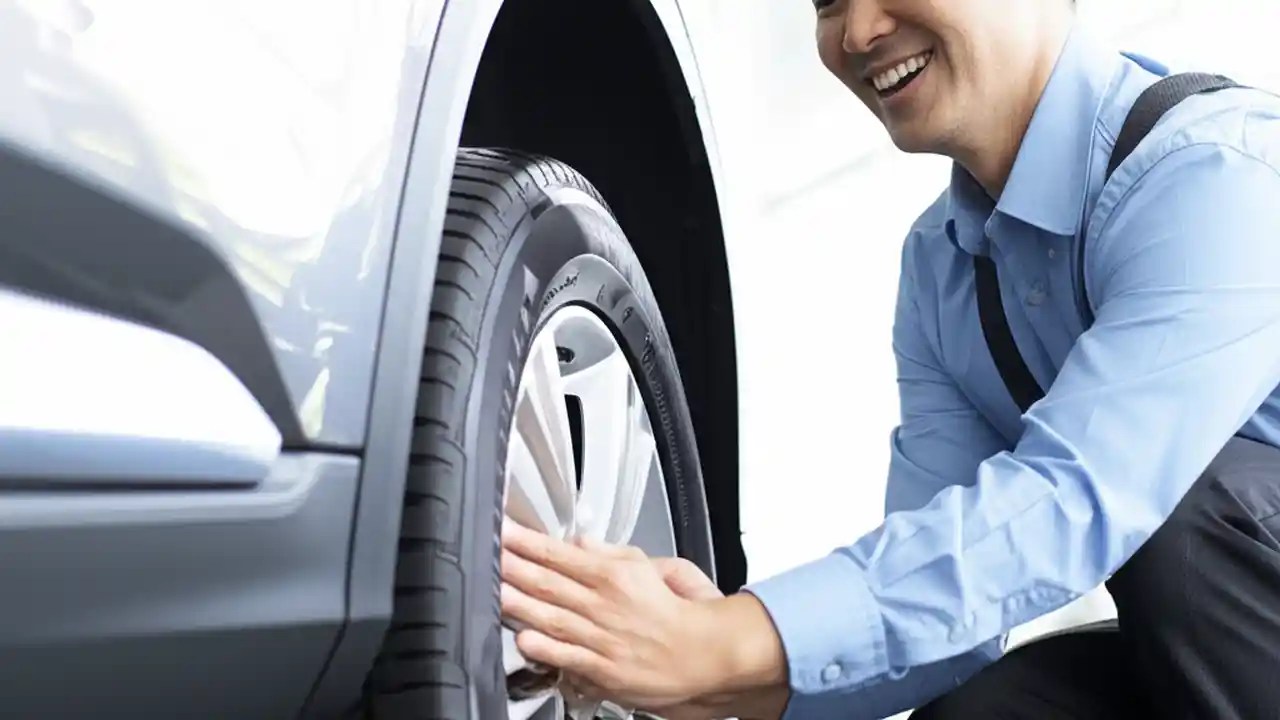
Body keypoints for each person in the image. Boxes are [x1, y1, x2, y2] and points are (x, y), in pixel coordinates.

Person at [498, 0, 1280, 717]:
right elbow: (951, 618)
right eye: (827, 2)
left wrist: (730, 641)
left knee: (1192, 515)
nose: (859, 31)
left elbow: (1074, 500)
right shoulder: (943, 270)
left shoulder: (1218, 172)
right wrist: (721, 677)